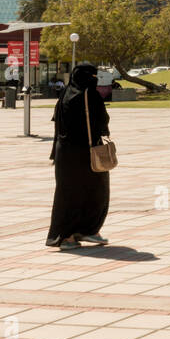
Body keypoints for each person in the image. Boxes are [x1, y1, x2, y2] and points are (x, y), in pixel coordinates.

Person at [45, 62, 110, 250]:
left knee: (68, 194)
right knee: (96, 192)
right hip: (86, 153)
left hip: (64, 152)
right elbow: (102, 121)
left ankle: (67, 236)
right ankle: (86, 230)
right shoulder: (90, 95)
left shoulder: (66, 93)